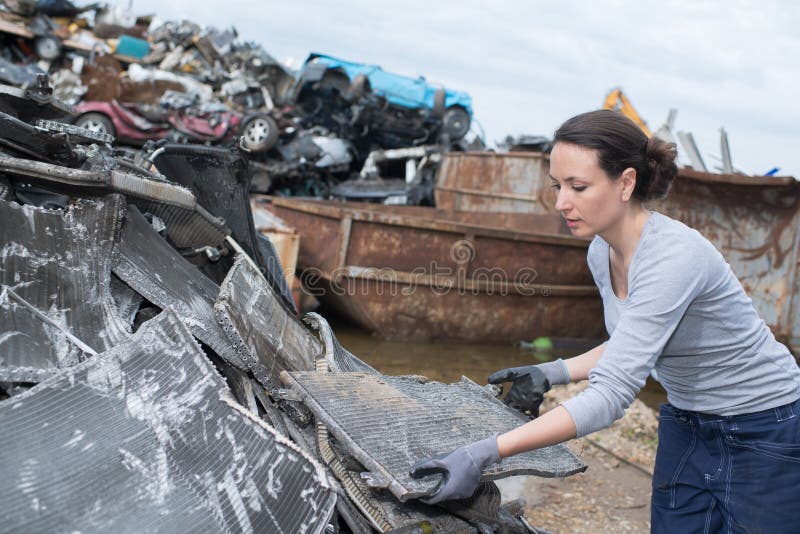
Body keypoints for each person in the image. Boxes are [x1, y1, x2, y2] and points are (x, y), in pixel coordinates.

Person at [410, 109, 800, 532]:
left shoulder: (674, 258)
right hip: (688, 421)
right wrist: (552, 370)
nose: (562, 202)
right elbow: (629, 344)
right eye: (557, 186)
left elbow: (612, 395)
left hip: (764, 427)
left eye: (578, 187)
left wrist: (485, 451)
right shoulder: (602, 251)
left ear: (626, 182)